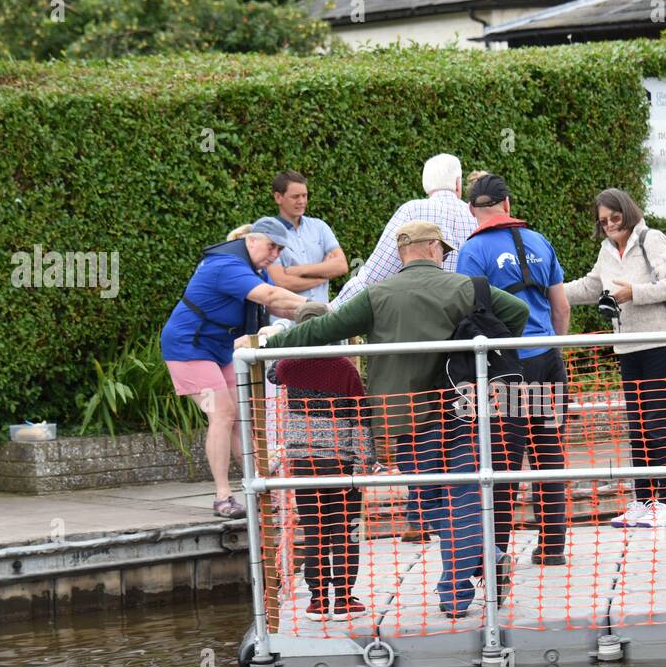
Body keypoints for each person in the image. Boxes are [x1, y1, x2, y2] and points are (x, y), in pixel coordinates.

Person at [259, 221, 530, 619]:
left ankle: (462, 585)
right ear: (435, 249)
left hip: (403, 416)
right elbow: (519, 312)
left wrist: (269, 344)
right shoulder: (467, 288)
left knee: (426, 499)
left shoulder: (376, 295)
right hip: (464, 409)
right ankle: (467, 580)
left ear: (403, 253)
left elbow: (322, 328)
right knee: (464, 499)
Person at [455, 173, 572, 566]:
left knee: (504, 459)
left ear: (473, 210)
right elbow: (562, 306)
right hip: (548, 361)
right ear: (507, 204)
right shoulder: (539, 241)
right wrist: (555, 347)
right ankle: (553, 547)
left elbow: (470, 314)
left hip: (509, 369)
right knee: (548, 451)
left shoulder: (472, 252)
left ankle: (498, 550)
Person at [160, 217, 308, 518]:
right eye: (272, 247)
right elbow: (268, 296)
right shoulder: (226, 265)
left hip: (219, 349)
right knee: (223, 413)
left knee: (241, 416)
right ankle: (222, 497)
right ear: (252, 240)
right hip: (188, 346)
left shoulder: (254, 268)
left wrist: (314, 314)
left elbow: (275, 306)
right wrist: (319, 307)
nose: (275, 255)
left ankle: (258, 488)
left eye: (279, 250)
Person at [562, 188, 666, 530]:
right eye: (603, 221)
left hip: (662, 344)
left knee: (658, 423)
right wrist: (549, 291)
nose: (609, 225)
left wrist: (635, 293)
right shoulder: (606, 251)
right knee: (638, 427)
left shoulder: (652, 238)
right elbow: (591, 287)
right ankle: (644, 499)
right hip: (628, 347)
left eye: (614, 218)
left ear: (628, 213)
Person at [272, 353, 373, 618]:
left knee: (314, 531)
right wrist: (364, 462)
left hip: (304, 462)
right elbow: (360, 416)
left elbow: (272, 374)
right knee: (345, 532)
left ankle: (317, 600)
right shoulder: (344, 367)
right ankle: (343, 599)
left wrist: (285, 343)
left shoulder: (288, 364)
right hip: (341, 463)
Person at [331, 153, 477, 309]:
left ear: (426, 184)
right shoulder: (476, 215)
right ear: (457, 183)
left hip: (422, 317)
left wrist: (334, 307)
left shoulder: (412, 210)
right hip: (471, 318)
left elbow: (376, 275)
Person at [265, 170, 349, 306]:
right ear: (278, 197)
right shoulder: (268, 233)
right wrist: (323, 275)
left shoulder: (319, 227)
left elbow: (341, 265)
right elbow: (281, 282)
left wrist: (298, 271)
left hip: (321, 319)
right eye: (295, 196)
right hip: (286, 323)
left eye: (304, 196)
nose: (302, 201)